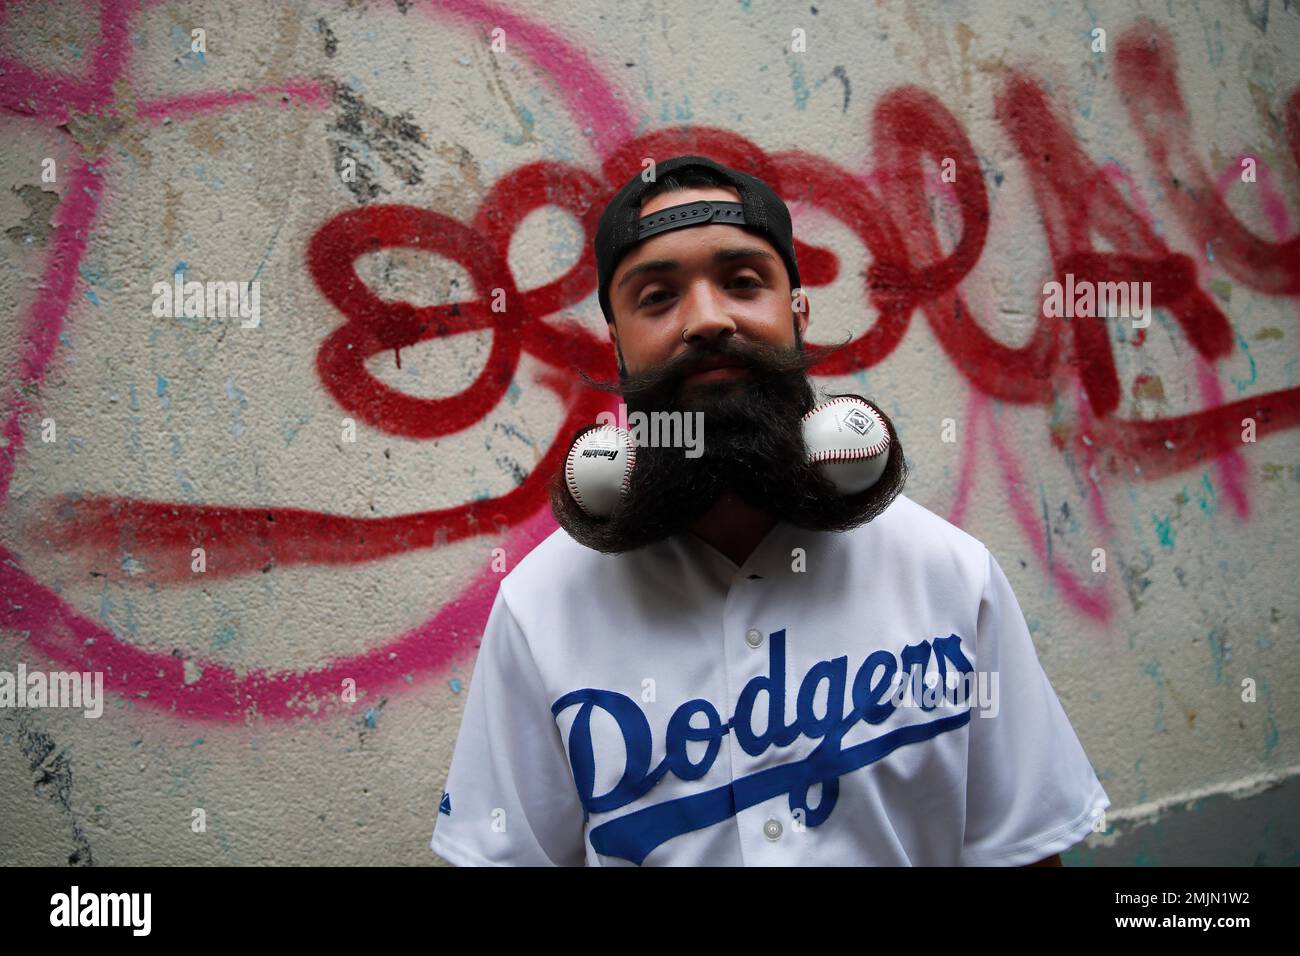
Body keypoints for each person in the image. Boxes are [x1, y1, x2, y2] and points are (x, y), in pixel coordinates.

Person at [429, 155, 1109, 866]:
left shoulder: (948, 574)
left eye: (743, 282)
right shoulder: (540, 610)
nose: (709, 320)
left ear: (798, 310)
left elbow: (1024, 852)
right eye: (657, 297)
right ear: (617, 344)